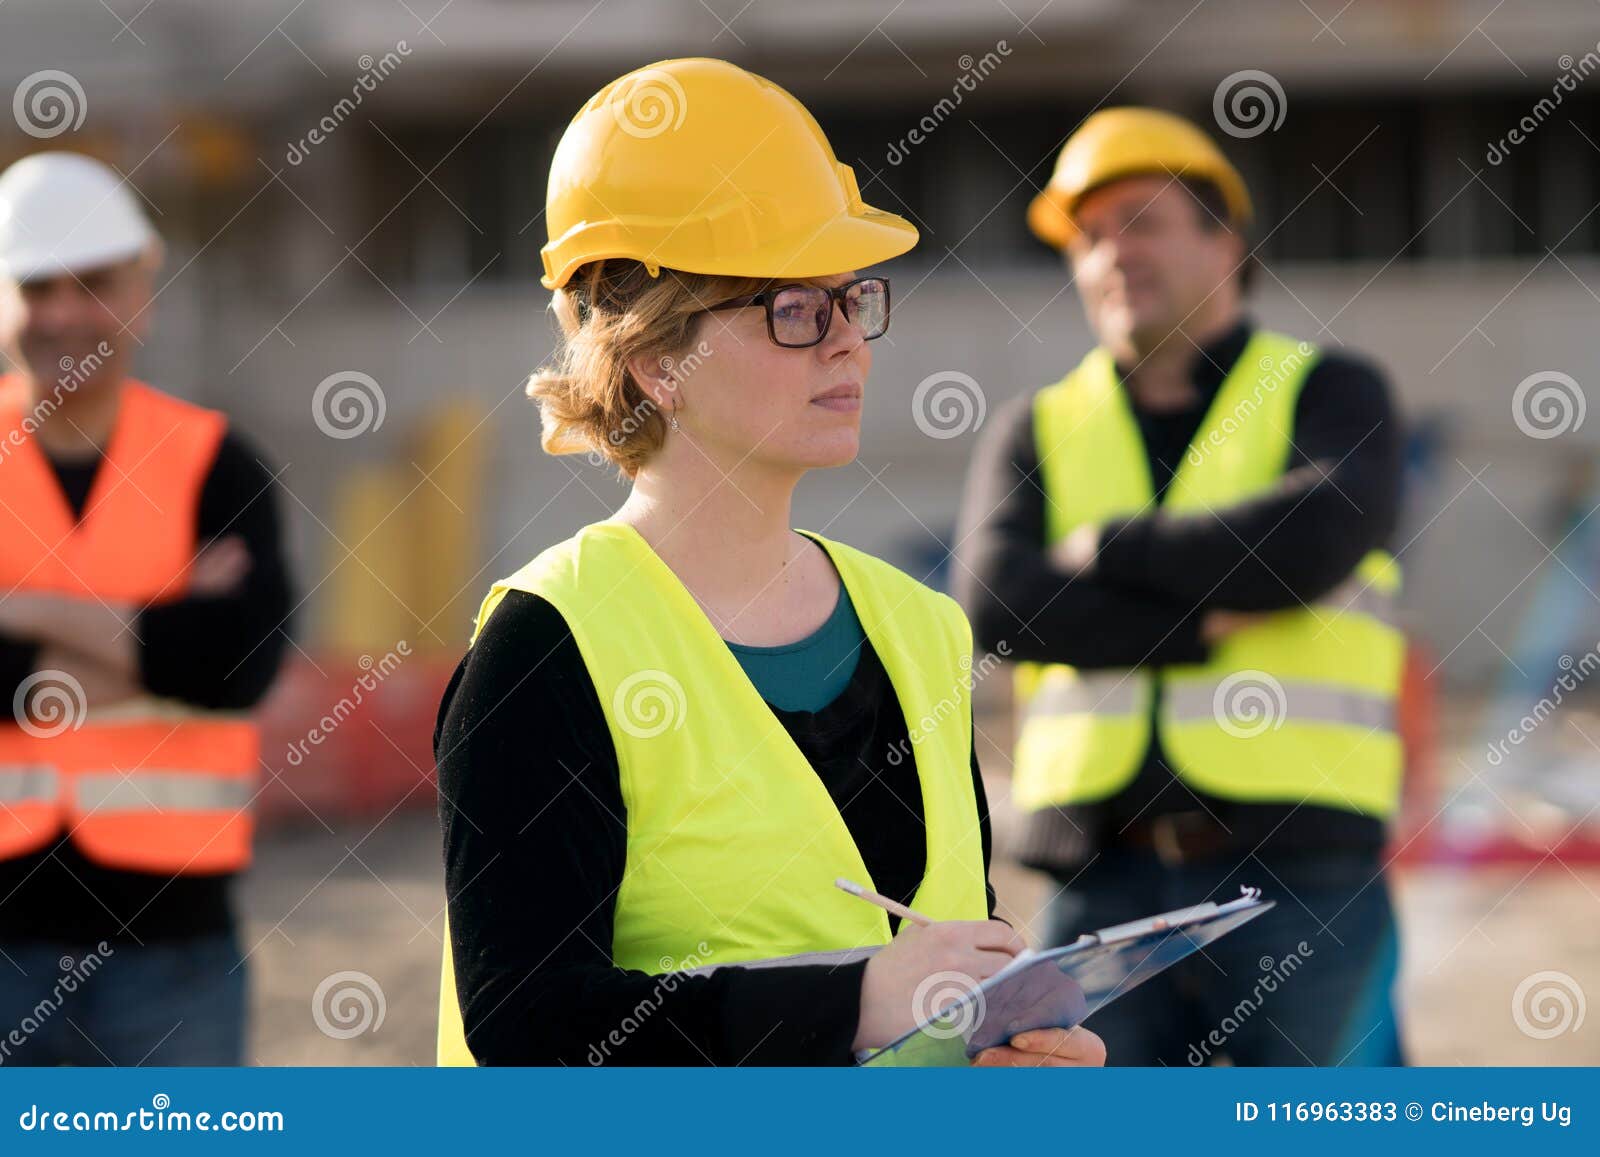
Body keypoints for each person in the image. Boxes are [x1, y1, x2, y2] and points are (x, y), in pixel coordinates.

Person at [434, 57, 1106, 1068]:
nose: (849, 345)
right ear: (659, 359)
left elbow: (950, 956)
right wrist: (848, 1002)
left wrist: (1014, 1048)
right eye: (796, 308)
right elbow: (526, 1025)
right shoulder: (548, 644)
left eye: (853, 300)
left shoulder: (918, 630)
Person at [955, 108, 1407, 1066]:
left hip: (1303, 873)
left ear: (1224, 241)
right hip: (1100, 883)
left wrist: (1107, 545)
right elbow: (998, 603)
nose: (1111, 252)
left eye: (1141, 220)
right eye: (1087, 235)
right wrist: (1209, 623)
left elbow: (1313, 539)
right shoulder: (1035, 425)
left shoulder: (1332, 391)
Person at [0, 152, 292, 1065]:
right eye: (36, 285)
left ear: (142, 290)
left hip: (175, 954)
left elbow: (236, 666)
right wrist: (153, 639)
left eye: (93, 283)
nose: (62, 313)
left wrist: (21, 609)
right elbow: (187, 660)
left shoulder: (215, 463)